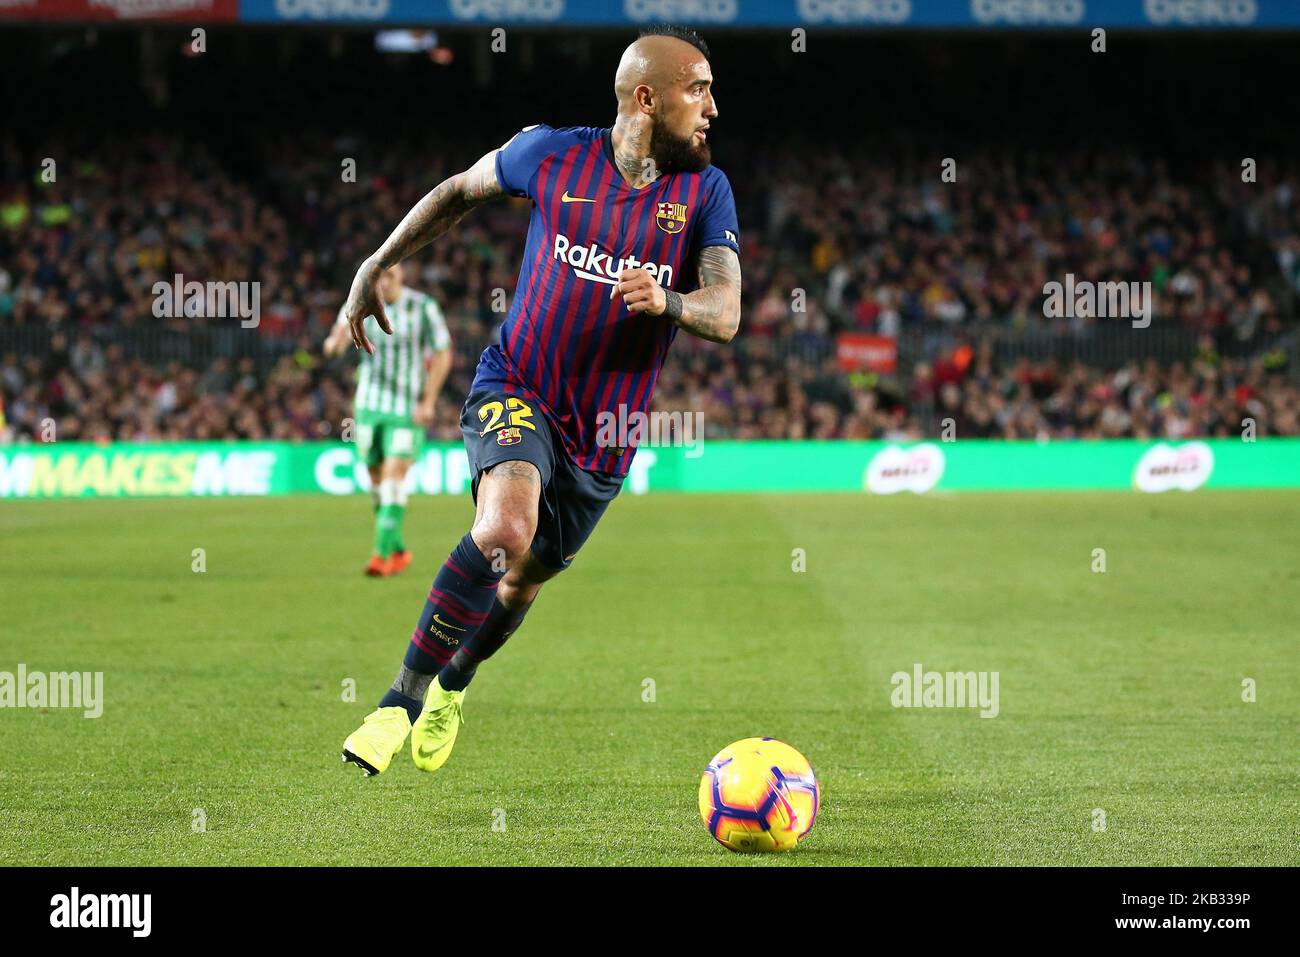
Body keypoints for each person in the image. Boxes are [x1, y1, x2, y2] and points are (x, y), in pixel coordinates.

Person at [340, 26, 742, 776]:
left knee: (523, 580)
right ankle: (397, 703)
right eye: (699, 89)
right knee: (504, 528)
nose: (714, 106)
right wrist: (377, 261)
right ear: (646, 98)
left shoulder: (703, 192)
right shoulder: (551, 154)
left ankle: (455, 684)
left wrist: (673, 302)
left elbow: (726, 311)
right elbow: (457, 192)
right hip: (517, 387)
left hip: (605, 436)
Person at [324, 263, 452, 577]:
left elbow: (444, 352)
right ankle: (397, 548)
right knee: (376, 478)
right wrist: (334, 345)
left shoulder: (423, 307)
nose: (385, 280)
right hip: (368, 405)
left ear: (402, 275)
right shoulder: (358, 301)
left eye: (391, 274)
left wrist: (429, 400)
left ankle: (380, 555)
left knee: (395, 473)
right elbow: (333, 345)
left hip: (407, 408)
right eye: (379, 275)